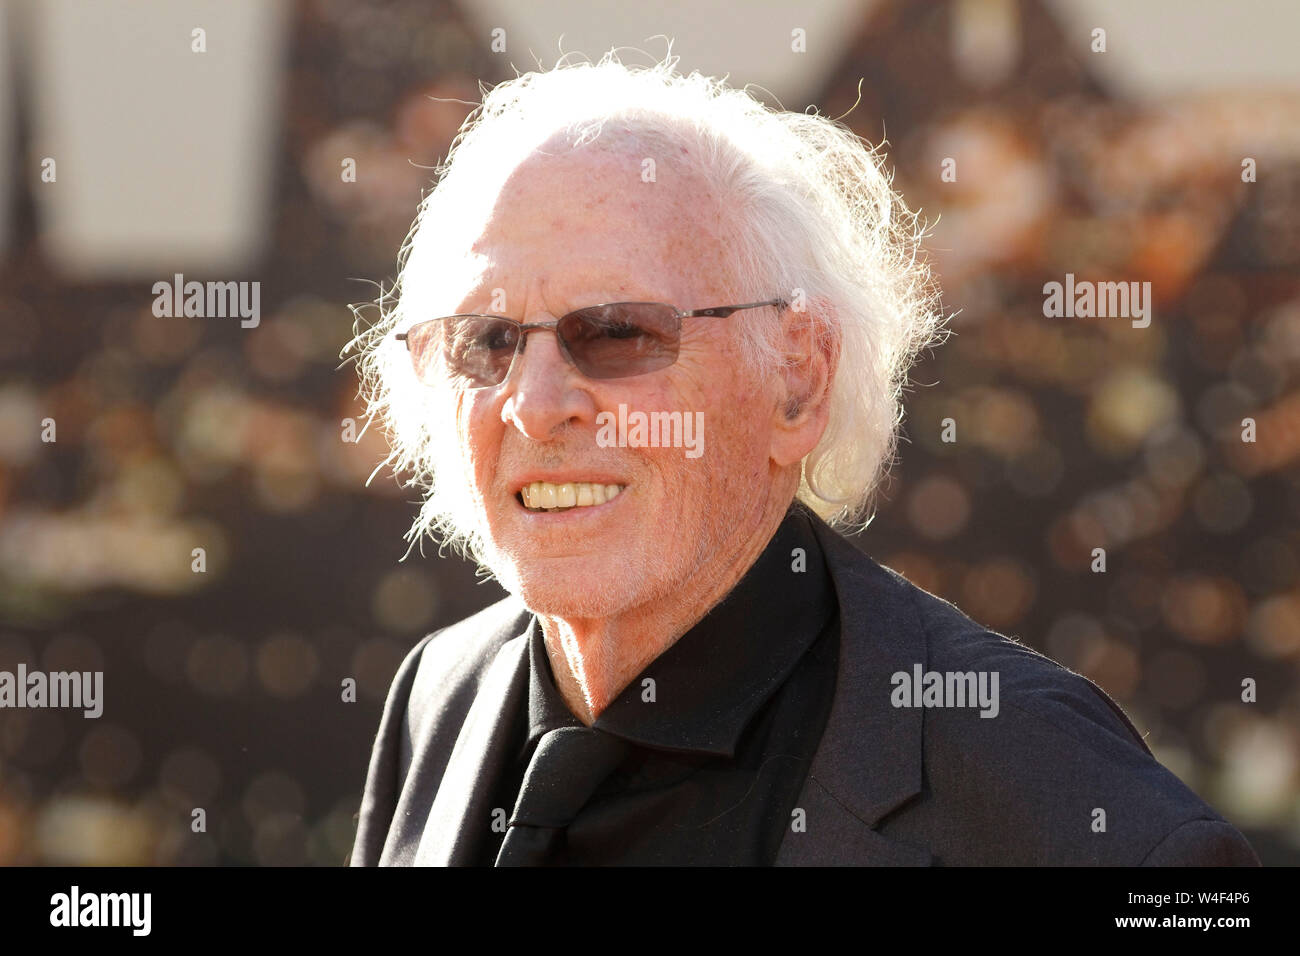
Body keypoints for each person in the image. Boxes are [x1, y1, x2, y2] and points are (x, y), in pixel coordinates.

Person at [346, 52, 1258, 866]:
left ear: (796, 383)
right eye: (487, 339)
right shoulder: (442, 695)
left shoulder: (1043, 791)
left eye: (619, 333)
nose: (537, 406)